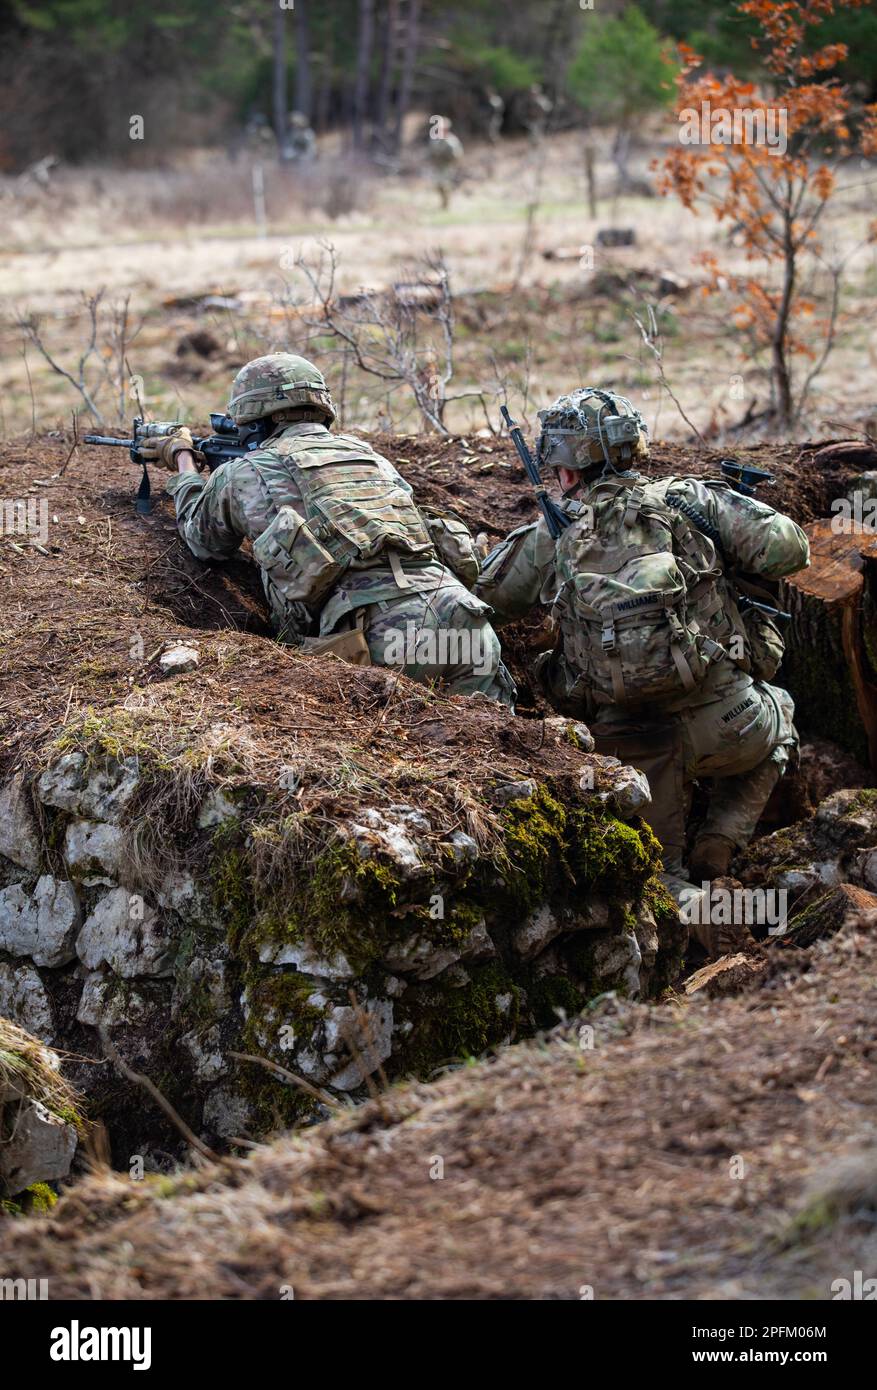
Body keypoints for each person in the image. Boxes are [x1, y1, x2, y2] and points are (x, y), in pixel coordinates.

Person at [475, 386, 809, 896]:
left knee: (654, 877)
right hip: (731, 726)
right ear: (636, 448)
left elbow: (489, 601)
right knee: (780, 710)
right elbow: (789, 550)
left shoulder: (552, 537)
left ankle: (695, 909)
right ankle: (720, 840)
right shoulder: (689, 501)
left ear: (566, 471)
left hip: (626, 752)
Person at [140, 353, 515, 706]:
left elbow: (204, 542)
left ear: (254, 420)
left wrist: (184, 463)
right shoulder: (369, 456)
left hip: (382, 633)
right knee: (487, 759)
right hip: (466, 617)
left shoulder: (242, 472)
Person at [426, 117, 464, 209]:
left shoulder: (451, 140)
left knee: (445, 185)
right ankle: (443, 204)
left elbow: (457, 155)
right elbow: (431, 152)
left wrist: (449, 156)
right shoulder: (436, 140)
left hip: (447, 166)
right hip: (438, 166)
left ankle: (446, 205)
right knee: (438, 185)